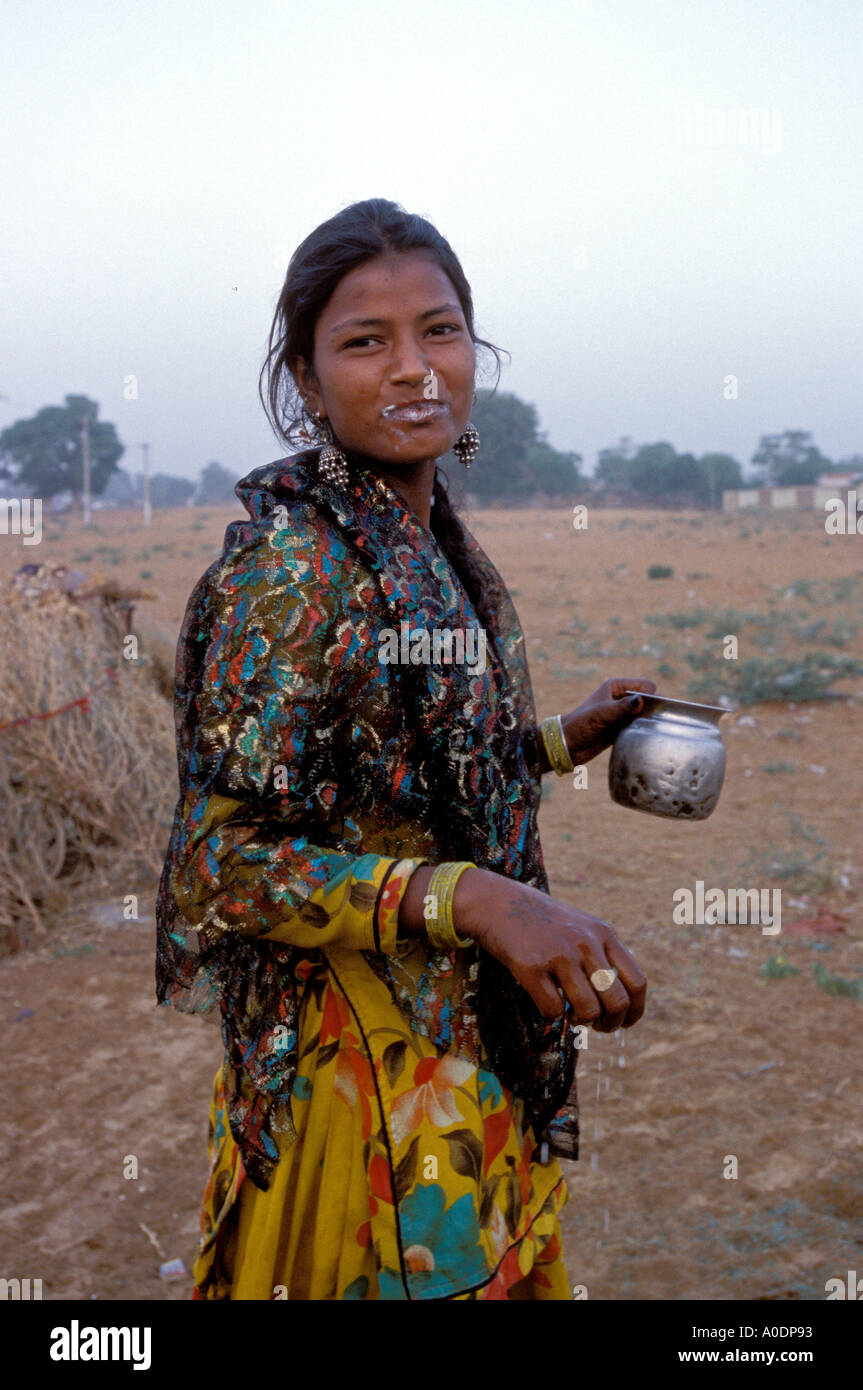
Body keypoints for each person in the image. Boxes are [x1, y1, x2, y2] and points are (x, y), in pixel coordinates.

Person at [155, 197, 650, 1301]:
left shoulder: (425, 540)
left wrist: (561, 739)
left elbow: (406, 773)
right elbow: (217, 865)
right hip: (358, 1082)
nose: (414, 368)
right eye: (364, 341)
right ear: (306, 376)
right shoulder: (291, 572)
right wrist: (475, 897)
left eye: (438, 331)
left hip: (467, 1044)